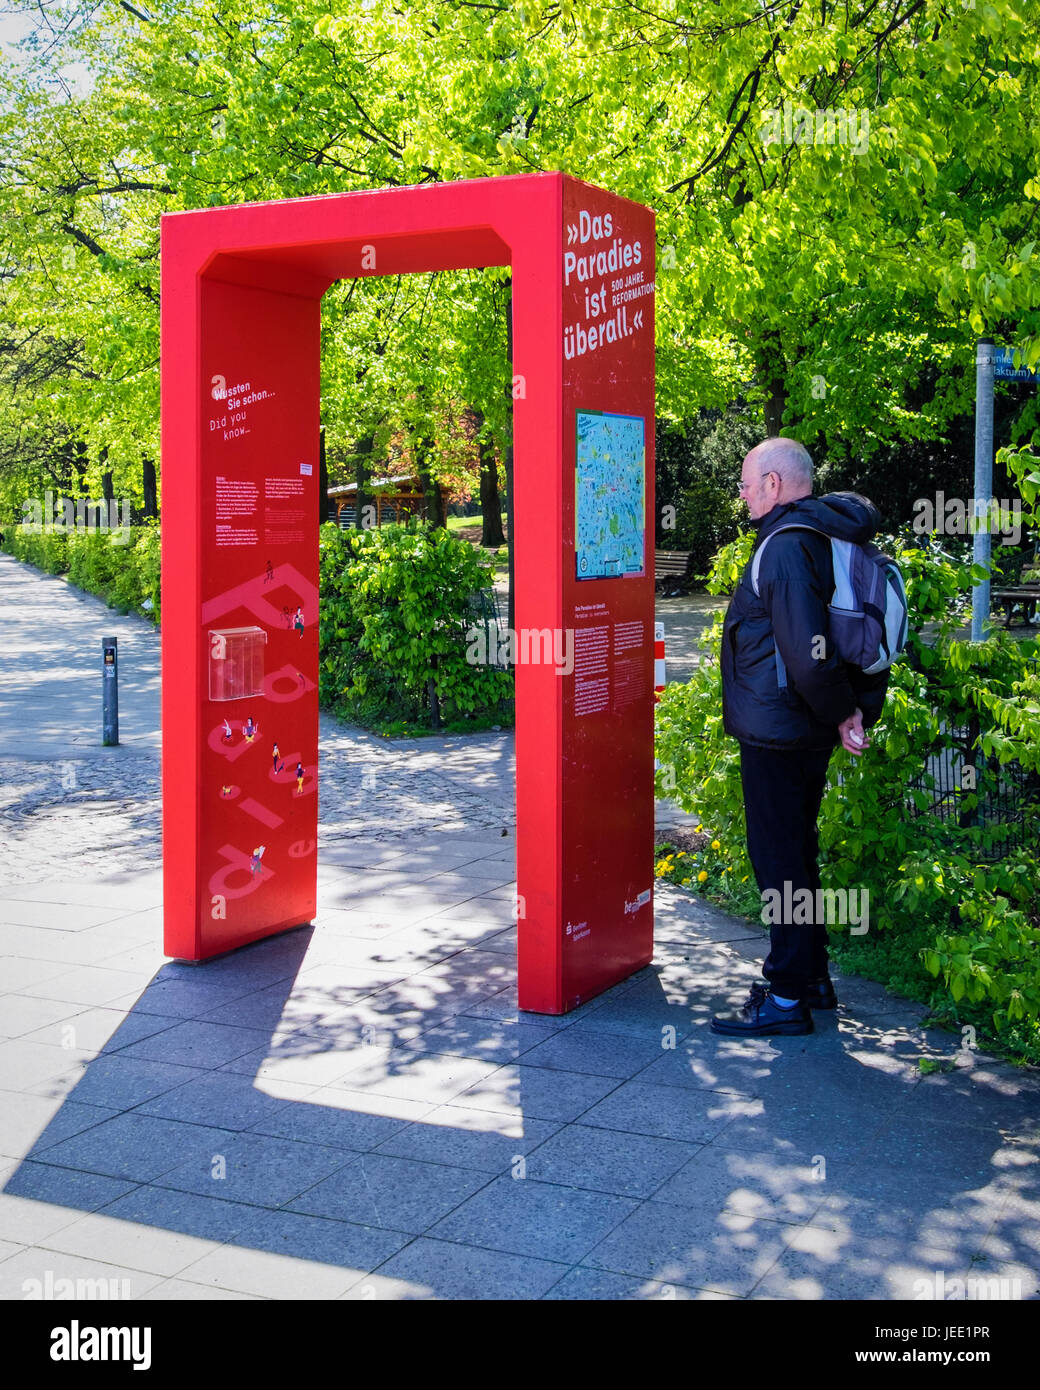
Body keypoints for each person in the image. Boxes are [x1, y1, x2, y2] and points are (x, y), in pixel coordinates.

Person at [710, 438, 890, 1038]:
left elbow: (807, 652)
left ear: (775, 485)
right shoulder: (829, 532)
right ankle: (811, 976)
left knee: (779, 862)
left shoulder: (786, 546)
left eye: (746, 481)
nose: (740, 492)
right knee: (797, 853)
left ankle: (786, 998)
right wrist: (845, 712)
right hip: (802, 726)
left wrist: (841, 714)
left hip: (780, 730)